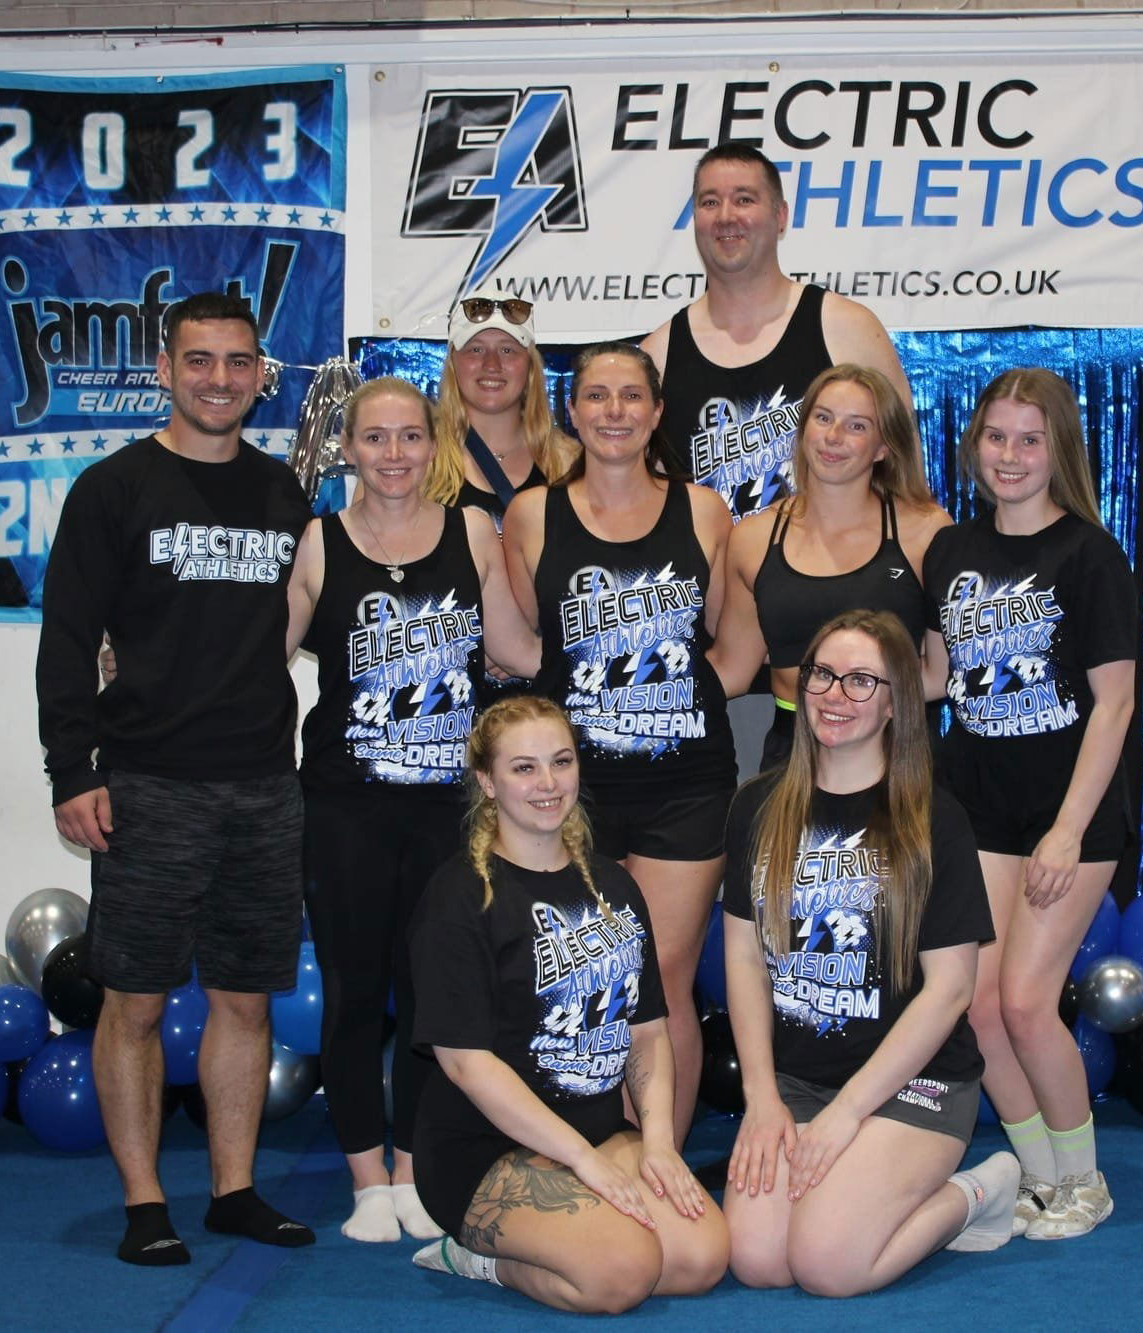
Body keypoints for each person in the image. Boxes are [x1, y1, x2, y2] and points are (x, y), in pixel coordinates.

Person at [36, 291, 316, 1266]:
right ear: (164, 369)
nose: (219, 380)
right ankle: (145, 1199)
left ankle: (233, 1189)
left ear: (258, 375)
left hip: (262, 784)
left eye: (238, 363)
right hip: (148, 781)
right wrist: (72, 768)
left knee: (246, 1000)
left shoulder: (285, 493)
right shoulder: (113, 490)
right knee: (138, 1002)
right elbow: (67, 640)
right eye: (198, 361)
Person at [292, 376, 542, 1242]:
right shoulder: (318, 542)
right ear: (349, 448)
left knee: (433, 997)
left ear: (433, 444)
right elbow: (253, 656)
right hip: (345, 807)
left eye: (409, 437)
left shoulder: (474, 530)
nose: (393, 455)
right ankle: (366, 1178)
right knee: (356, 994)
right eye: (375, 439)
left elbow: (515, 647)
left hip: (446, 809)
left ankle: (411, 1165)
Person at [720, 609, 1019, 1297]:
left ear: (895, 703)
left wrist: (850, 1112)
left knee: (829, 1265)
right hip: (798, 1083)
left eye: (862, 681)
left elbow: (949, 989)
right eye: (824, 674)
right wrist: (761, 1098)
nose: (835, 695)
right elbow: (742, 956)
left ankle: (980, 1192)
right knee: (759, 1259)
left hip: (912, 1086)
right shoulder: (757, 806)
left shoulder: (932, 816)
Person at [406, 696, 729, 1312]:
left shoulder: (612, 883)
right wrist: (581, 1160)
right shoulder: (458, 898)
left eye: (561, 761)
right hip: (483, 1149)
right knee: (621, 1275)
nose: (548, 784)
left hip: (600, 1130)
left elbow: (649, 1033)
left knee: (700, 1259)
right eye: (523, 768)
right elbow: (467, 1065)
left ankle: (590, 1222)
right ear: (487, 782)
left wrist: (658, 1140)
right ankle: (474, 1257)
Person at [920, 368, 1137, 1242]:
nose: (1009, 456)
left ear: (1059, 451)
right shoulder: (949, 550)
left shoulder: (1089, 554)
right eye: (997, 437)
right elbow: (939, 675)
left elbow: (1115, 704)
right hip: (977, 806)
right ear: (975, 445)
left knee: (1023, 1001)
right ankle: (1040, 1175)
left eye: (1030, 439)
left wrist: (1067, 829)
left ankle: (1086, 1176)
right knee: (976, 1006)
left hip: (1066, 816)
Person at [501, 343, 737, 1144]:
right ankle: (600, 1150)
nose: (613, 411)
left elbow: (733, 645)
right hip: (575, 790)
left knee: (662, 981)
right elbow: (521, 649)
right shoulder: (532, 513)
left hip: (687, 781)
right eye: (596, 396)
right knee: (595, 979)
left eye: (630, 396)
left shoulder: (704, 509)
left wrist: (665, 699)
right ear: (572, 411)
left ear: (657, 412)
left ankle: (656, 1158)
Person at [642, 142, 911, 524]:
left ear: (780, 216)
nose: (725, 216)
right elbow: (650, 505)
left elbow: (904, 469)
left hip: (835, 574)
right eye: (709, 202)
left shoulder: (847, 327)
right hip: (717, 580)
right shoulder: (659, 353)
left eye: (744, 200)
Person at [709, 365, 949, 770]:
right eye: (823, 418)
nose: (834, 437)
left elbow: (942, 674)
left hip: (897, 754)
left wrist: (859, 709)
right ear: (803, 431)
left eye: (857, 426)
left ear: (883, 447)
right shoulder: (753, 538)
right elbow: (732, 667)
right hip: (794, 756)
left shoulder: (925, 531)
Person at [424, 281, 576, 532]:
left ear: (529, 365)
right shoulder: (418, 461)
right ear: (453, 362)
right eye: (475, 349)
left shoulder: (569, 463)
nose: (492, 364)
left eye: (507, 350)